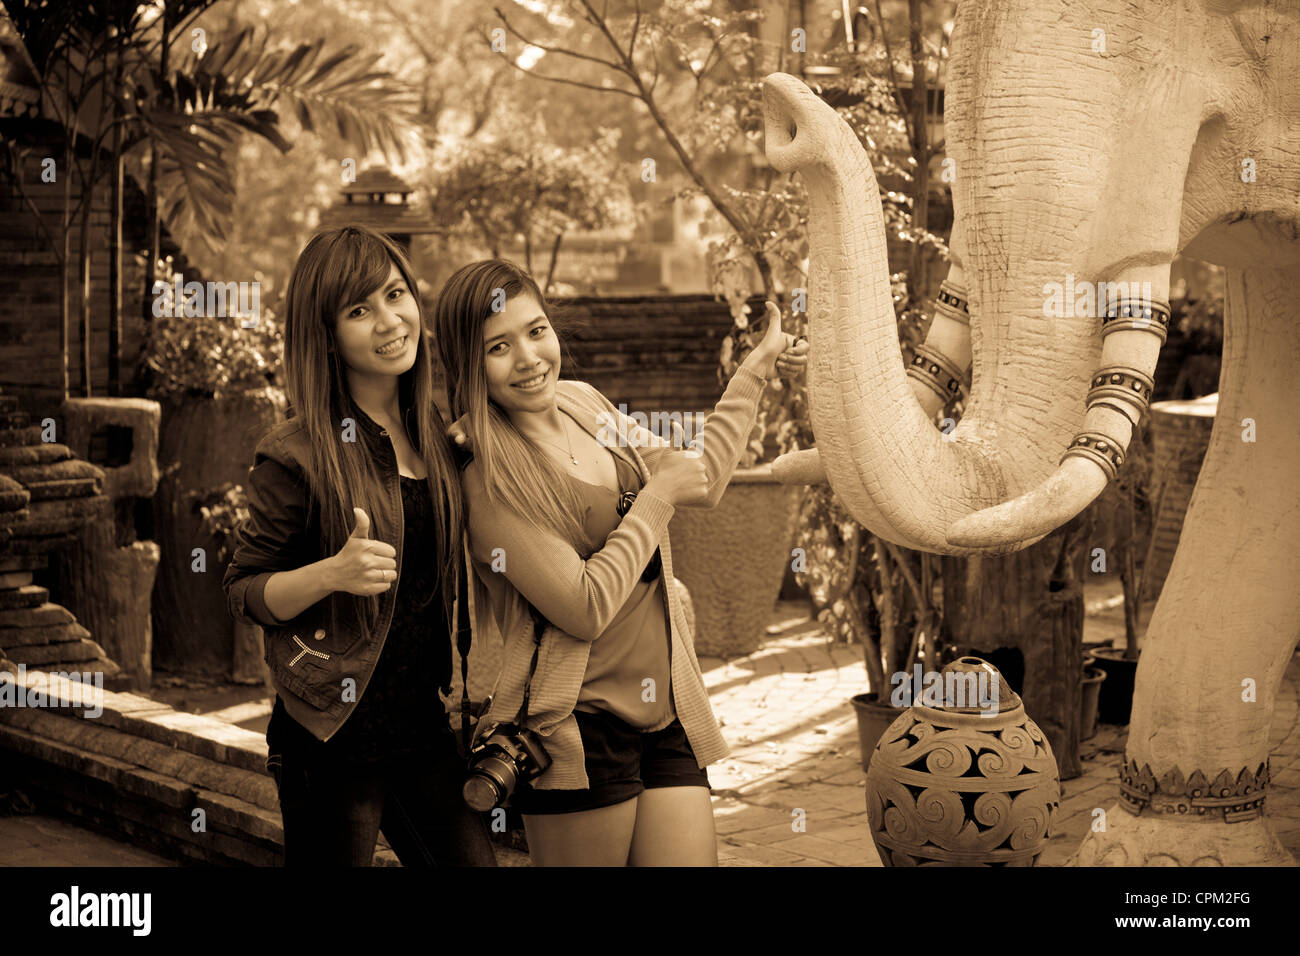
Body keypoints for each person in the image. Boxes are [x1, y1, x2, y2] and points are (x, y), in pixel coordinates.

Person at [433, 258, 807, 865]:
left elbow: (699, 479)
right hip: (574, 728)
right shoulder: (491, 479)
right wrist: (654, 501)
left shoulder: (582, 404)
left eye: (536, 331)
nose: (528, 358)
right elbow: (584, 607)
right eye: (497, 347)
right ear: (470, 364)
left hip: (665, 710)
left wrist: (753, 374)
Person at [222, 225, 496, 867]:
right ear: (327, 334)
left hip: (423, 726)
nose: (388, 320)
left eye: (395, 294)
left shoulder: (440, 432)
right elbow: (242, 589)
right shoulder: (297, 453)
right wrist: (330, 574)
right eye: (358, 309)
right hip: (329, 732)